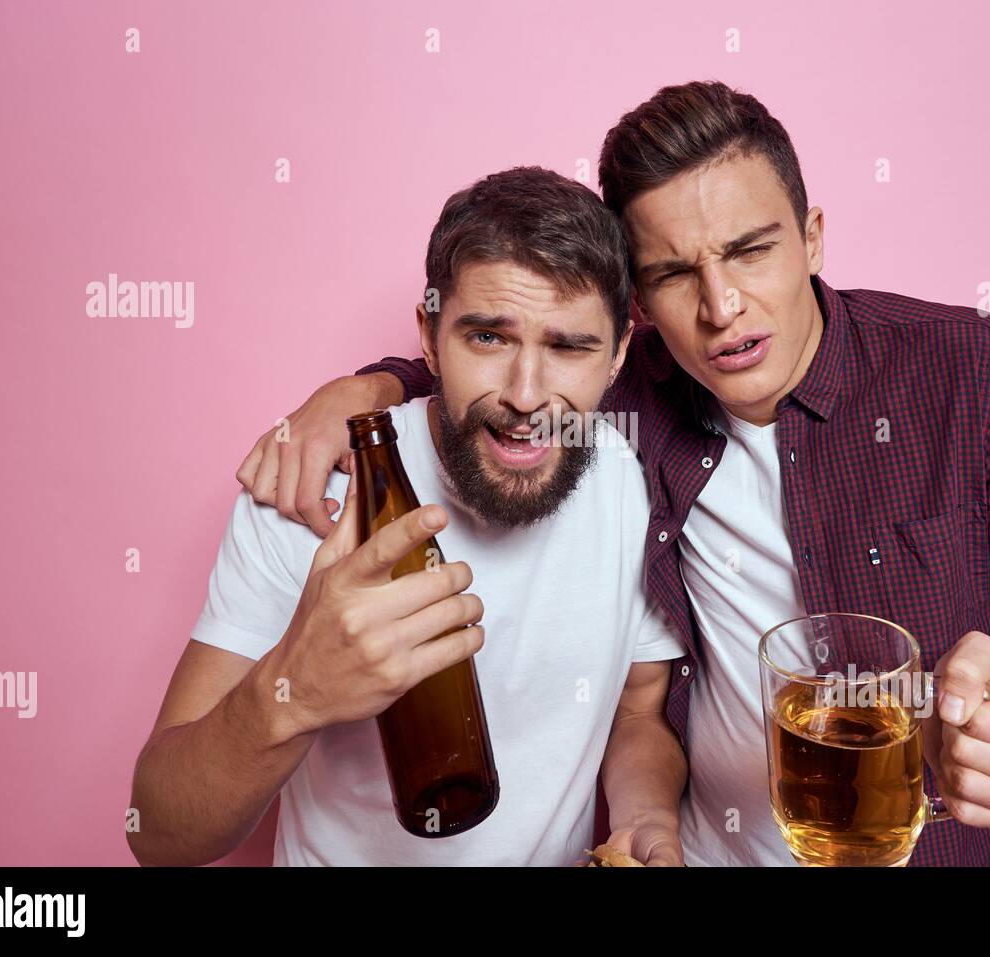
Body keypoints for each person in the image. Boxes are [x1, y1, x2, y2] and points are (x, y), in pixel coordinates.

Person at [236, 81, 990, 866]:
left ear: (814, 237)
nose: (722, 308)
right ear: (639, 306)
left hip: (933, 844)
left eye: (751, 250)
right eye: (674, 273)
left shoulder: (973, 369)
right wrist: (366, 391)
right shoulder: (633, 390)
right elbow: (511, 361)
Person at [128, 167, 688, 866]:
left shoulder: (628, 485)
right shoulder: (316, 494)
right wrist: (295, 692)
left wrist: (645, 818)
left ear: (617, 357)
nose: (525, 393)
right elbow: (154, 829)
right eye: (487, 338)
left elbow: (638, 709)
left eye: (568, 346)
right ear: (429, 335)